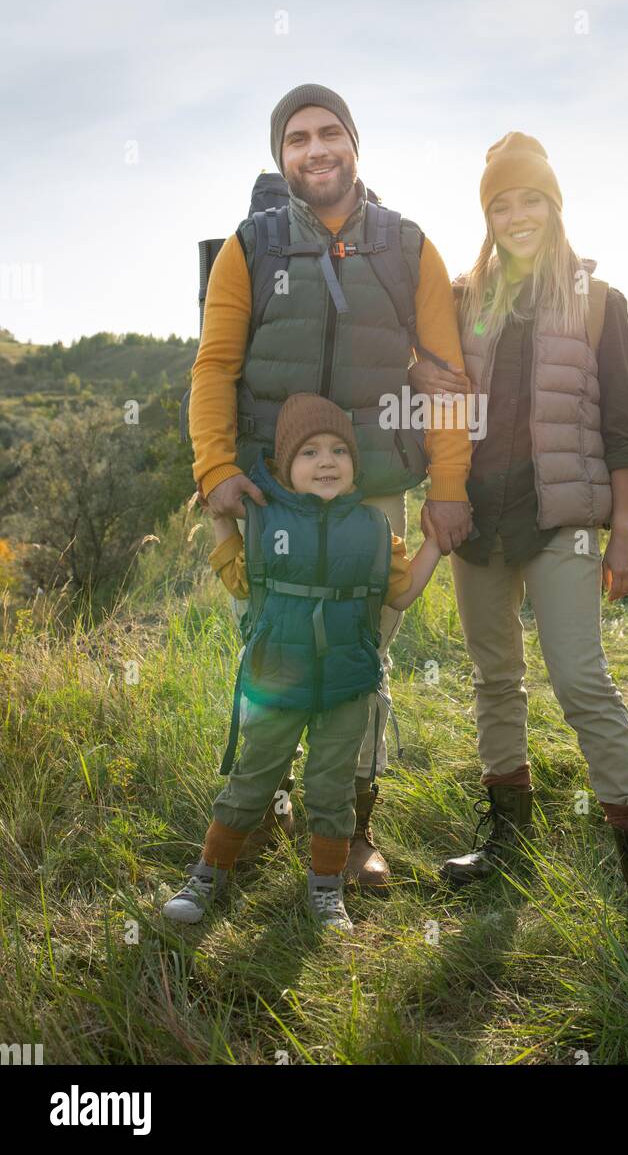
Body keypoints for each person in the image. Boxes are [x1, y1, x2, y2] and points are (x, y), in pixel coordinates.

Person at [188, 85, 472, 885]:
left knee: (358, 657)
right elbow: (214, 367)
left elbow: (448, 381)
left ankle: (350, 832)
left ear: (355, 144)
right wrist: (214, 468)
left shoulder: (409, 247)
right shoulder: (252, 246)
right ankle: (264, 803)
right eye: (298, 139)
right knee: (270, 649)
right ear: (281, 156)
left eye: (331, 134)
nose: (316, 150)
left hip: (373, 486)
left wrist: (449, 484)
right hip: (264, 492)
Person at [411, 132, 628, 935]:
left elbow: (620, 427)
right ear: (487, 215)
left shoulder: (601, 302)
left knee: (580, 680)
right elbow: (440, 397)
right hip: (477, 521)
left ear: (554, 203)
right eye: (500, 203)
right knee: (493, 676)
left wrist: (624, 530)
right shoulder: (466, 299)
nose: (515, 214)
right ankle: (508, 839)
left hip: (563, 519)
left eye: (529, 198)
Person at [163, 394, 443, 933]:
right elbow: (238, 577)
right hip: (277, 679)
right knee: (252, 777)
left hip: (346, 682)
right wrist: (222, 522)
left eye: (339, 450)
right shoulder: (266, 522)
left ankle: (326, 888)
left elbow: (400, 594)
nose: (326, 461)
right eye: (310, 451)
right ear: (285, 467)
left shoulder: (372, 528)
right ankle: (207, 876)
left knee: (333, 787)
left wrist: (435, 542)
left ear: (355, 464)